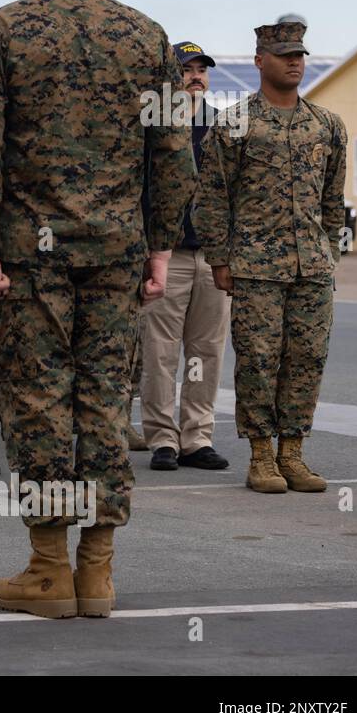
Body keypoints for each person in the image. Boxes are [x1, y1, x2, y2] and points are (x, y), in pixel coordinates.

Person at [0, 0, 195, 619]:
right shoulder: (147, 36)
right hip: (118, 253)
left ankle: (49, 568)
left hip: (31, 256)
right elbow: (174, 158)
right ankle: (98, 572)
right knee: (101, 402)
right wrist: (158, 247)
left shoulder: (1, 31)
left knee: (37, 403)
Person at [193, 21, 346, 494]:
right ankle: (261, 455)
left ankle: (293, 453)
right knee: (258, 360)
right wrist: (220, 258)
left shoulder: (326, 124)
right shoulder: (234, 121)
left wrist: (329, 251)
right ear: (261, 61)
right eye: (283, 54)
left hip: (313, 267)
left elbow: (333, 198)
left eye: (299, 53)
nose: (294, 61)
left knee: (307, 359)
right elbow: (213, 196)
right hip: (256, 265)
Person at [139, 41, 231, 472]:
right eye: (187, 69)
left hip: (212, 257)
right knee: (159, 351)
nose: (196, 75)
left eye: (202, 69)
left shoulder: (224, 127)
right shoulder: (152, 125)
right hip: (167, 254)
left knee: (205, 351)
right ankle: (162, 438)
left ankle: (197, 436)